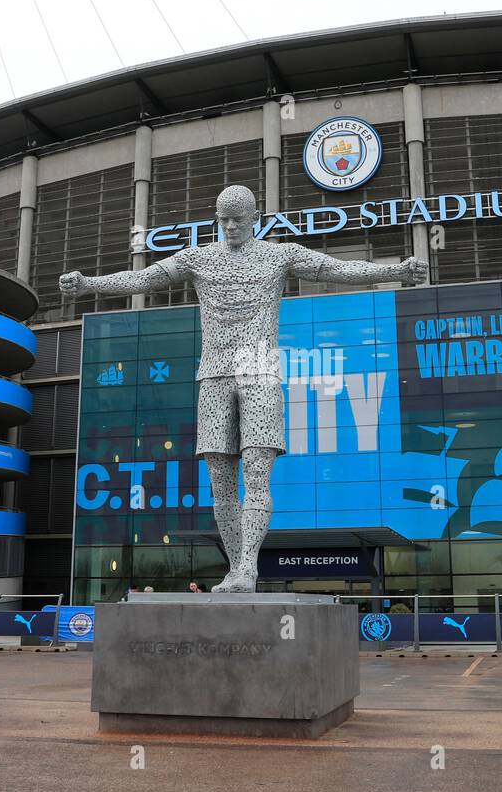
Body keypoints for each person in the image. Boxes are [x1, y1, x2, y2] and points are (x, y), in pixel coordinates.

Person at [60, 185, 426, 593]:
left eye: (238, 218)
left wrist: (394, 270)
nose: (230, 226)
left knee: (256, 472)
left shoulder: (278, 255)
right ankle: (236, 568)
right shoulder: (198, 258)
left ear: (256, 216)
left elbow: (336, 269)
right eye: (223, 218)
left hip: (260, 372)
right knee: (220, 480)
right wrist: (89, 283)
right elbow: (143, 277)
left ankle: (248, 567)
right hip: (214, 374)